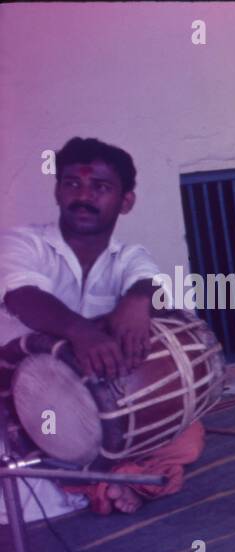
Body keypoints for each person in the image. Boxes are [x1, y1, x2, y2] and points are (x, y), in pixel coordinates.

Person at [0, 136, 202, 520]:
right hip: (15, 399)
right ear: (58, 191)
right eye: (72, 183)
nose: (84, 195)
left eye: (101, 187)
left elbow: (149, 281)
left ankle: (107, 478)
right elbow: (22, 296)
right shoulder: (20, 243)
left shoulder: (127, 256)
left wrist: (138, 299)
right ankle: (116, 480)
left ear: (126, 202)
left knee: (188, 438)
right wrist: (82, 332)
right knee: (21, 489)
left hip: (94, 405)